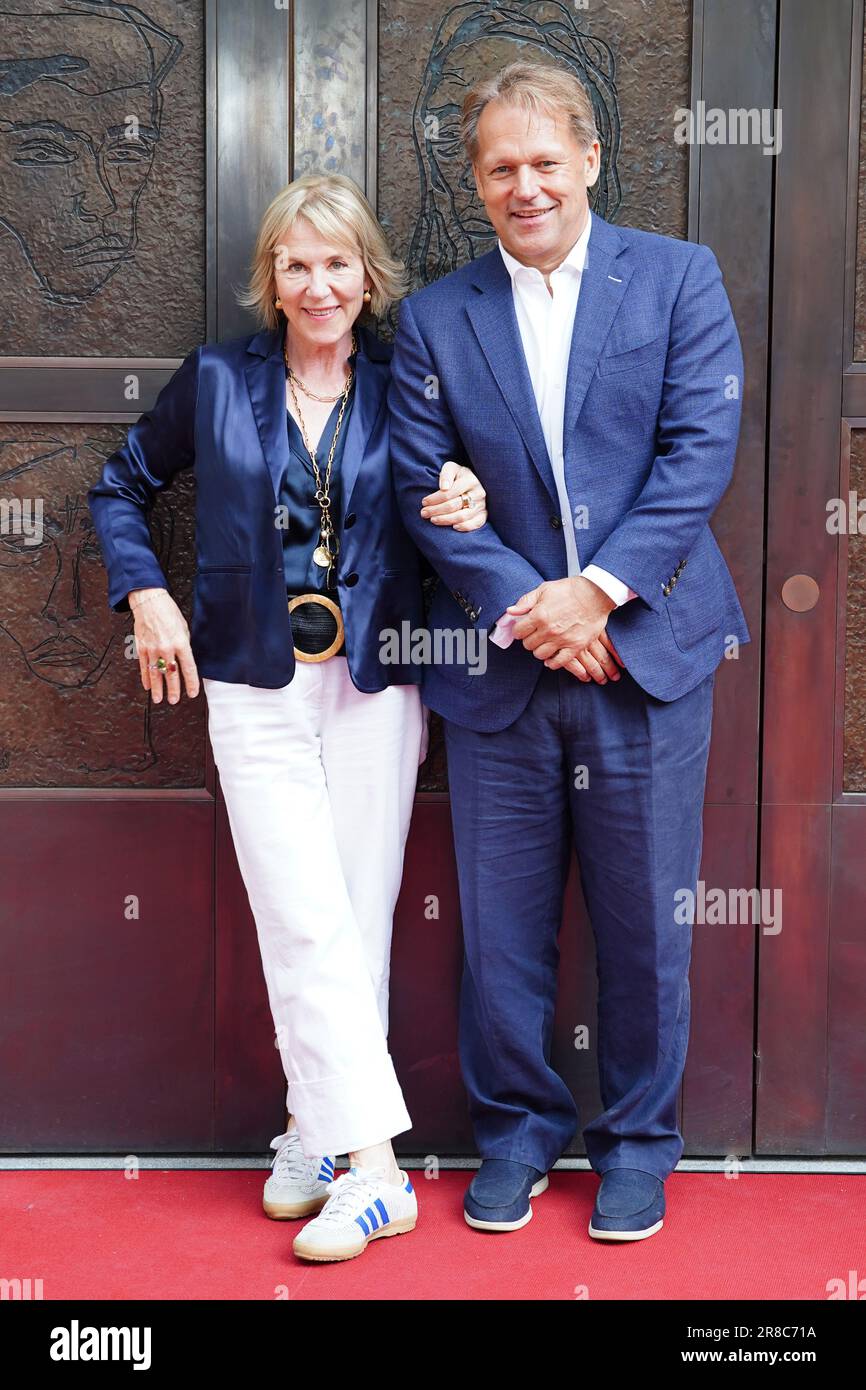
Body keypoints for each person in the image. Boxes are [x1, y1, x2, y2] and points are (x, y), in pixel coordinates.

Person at [87, 172, 488, 1264]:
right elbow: (119, 485)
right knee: (300, 912)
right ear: (272, 277)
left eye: (338, 263)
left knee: (352, 917)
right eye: (297, 265)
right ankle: (376, 1175)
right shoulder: (217, 379)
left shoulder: (412, 378)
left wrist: (464, 492)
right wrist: (147, 591)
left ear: (368, 275)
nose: (319, 285)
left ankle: (313, 1130)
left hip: (377, 681)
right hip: (253, 683)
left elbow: (467, 484)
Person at [388, 61, 750, 1241]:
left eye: (545, 162)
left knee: (646, 921)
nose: (524, 185)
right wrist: (533, 608)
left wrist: (592, 596)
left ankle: (638, 1146)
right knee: (499, 930)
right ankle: (515, 1135)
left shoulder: (679, 278)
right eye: (500, 167)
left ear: (590, 160)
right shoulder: (439, 317)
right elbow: (417, 483)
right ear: (478, 181)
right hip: (501, 670)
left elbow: (697, 452)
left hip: (644, 655)